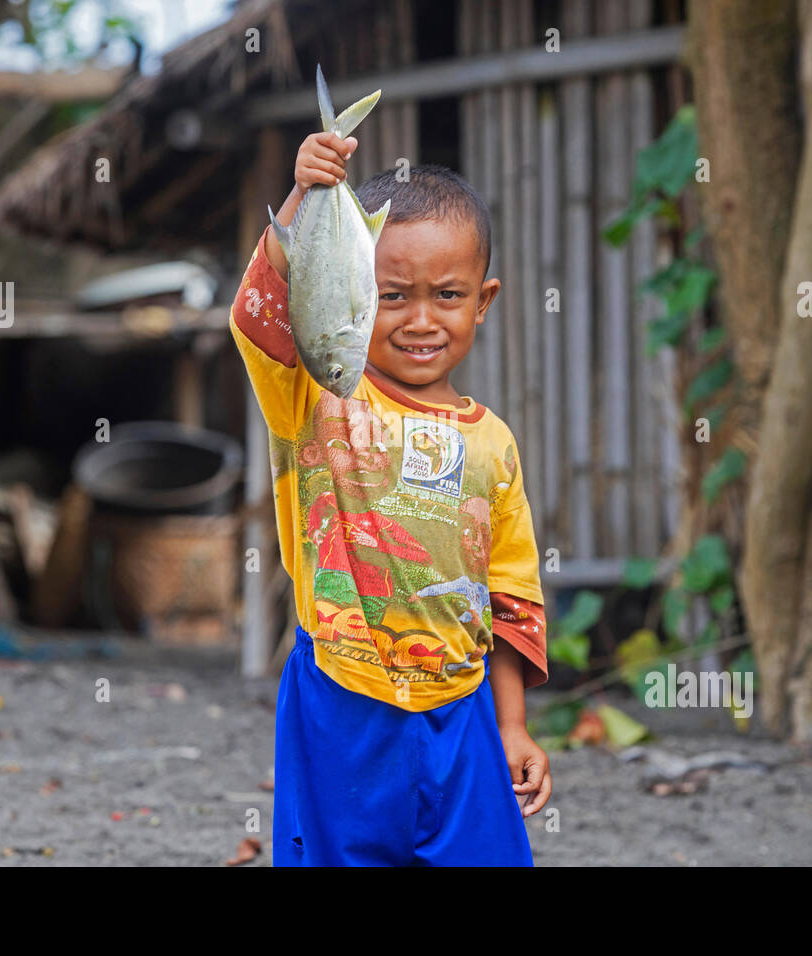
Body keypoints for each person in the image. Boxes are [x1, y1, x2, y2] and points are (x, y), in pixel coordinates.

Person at [229, 129, 551, 866]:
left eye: (448, 295)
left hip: (462, 714)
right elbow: (257, 316)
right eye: (390, 295)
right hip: (341, 701)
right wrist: (308, 198)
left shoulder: (494, 444)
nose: (420, 319)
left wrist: (513, 727)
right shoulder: (318, 395)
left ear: (484, 301)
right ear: (351, 290)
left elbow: (509, 594)